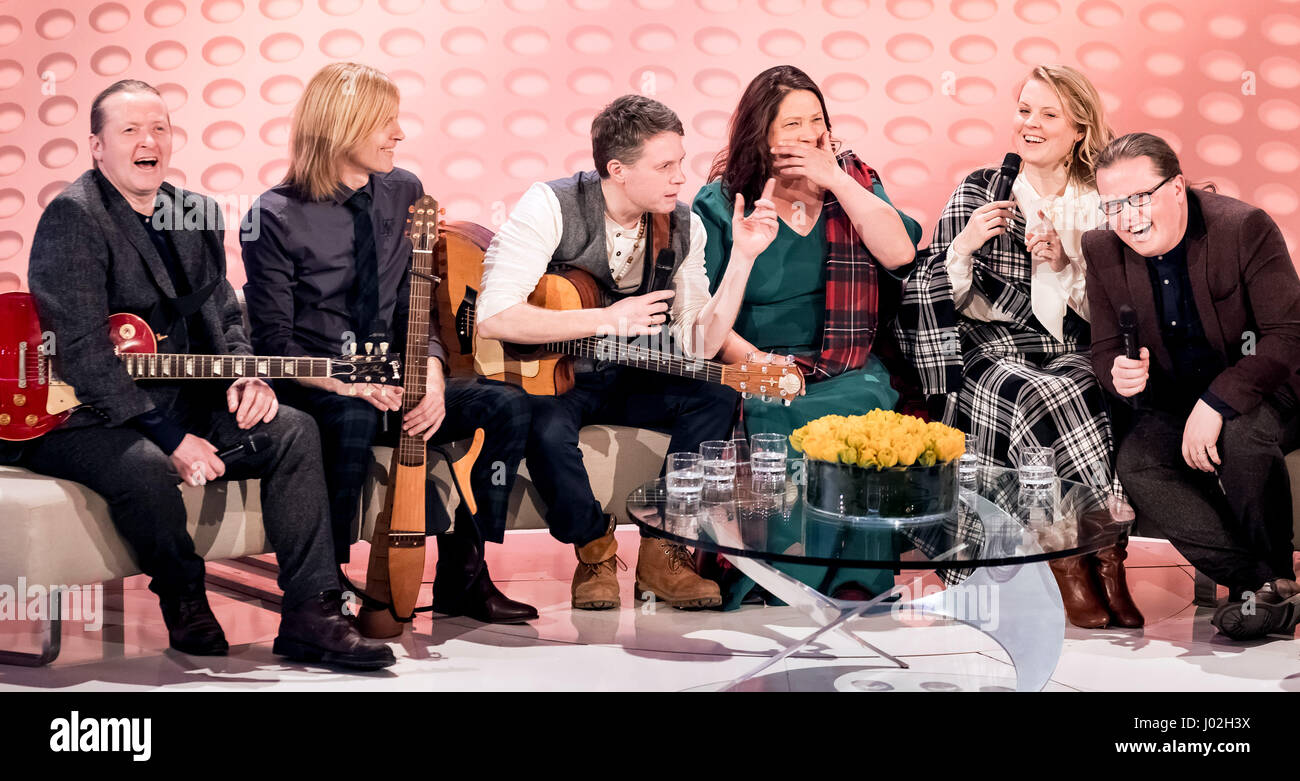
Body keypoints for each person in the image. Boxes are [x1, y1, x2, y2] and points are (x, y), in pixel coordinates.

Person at [0, 79, 393, 668]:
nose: (148, 140)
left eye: (159, 127)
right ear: (97, 147)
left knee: (292, 430)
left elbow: (226, 317)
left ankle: (313, 613)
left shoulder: (194, 212)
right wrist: (171, 438)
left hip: (179, 395)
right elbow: (82, 351)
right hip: (76, 414)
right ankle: (183, 596)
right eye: (129, 129)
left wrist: (245, 376)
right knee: (146, 465)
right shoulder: (74, 216)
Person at [241, 63, 536, 625]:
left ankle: (465, 575)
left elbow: (413, 305)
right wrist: (346, 383)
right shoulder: (272, 215)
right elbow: (272, 344)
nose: (398, 134)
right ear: (341, 127)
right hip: (318, 382)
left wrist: (431, 373)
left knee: (507, 404)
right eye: (386, 123)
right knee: (348, 420)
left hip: (395, 376)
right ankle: (325, 593)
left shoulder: (405, 191)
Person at [476, 94, 762, 610]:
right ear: (618, 169)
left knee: (714, 395)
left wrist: (741, 261)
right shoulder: (551, 204)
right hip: (556, 375)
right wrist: (607, 318)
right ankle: (594, 549)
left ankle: (663, 554)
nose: (681, 177)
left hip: (630, 372)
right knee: (541, 424)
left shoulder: (683, 224)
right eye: (665, 165)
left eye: (681, 160)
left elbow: (700, 343)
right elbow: (494, 316)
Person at [896, 65, 1143, 629]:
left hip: (1077, 344)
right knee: (1031, 390)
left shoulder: (1100, 200)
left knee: (1078, 383)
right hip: (993, 346)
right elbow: (932, 294)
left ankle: (1107, 559)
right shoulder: (982, 187)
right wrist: (963, 245)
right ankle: (1066, 559)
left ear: (1079, 128)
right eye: (1024, 110)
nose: (1030, 125)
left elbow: (1122, 303)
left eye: (1048, 115)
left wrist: (1061, 263)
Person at [692, 65, 922, 607]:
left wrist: (838, 180)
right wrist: (757, 363)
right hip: (754, 356)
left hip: (842, 359)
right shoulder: (722, 201)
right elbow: (708, 313)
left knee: (866, 408)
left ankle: (857, 581)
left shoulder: (855, 183)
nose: (808, 134)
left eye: (816, 121)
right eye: (791, 124)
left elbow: (900, 253)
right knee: (777, 412)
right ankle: (779, 579)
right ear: (761, 134)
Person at [1085, 132, 1300, 640]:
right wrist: (1118, 373)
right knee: (1138, 463)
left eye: (1140, 198)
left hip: (1270, 386)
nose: (1128, 217)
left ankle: (1272, 584)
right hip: (1175, 398)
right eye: (1112, 204)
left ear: (1177, 188)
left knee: (1241, 435)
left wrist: (1218, 402)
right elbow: (1104, 346)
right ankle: (1265, 588)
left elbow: (1287, 334)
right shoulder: (1100, 248)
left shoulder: (1242, 227)